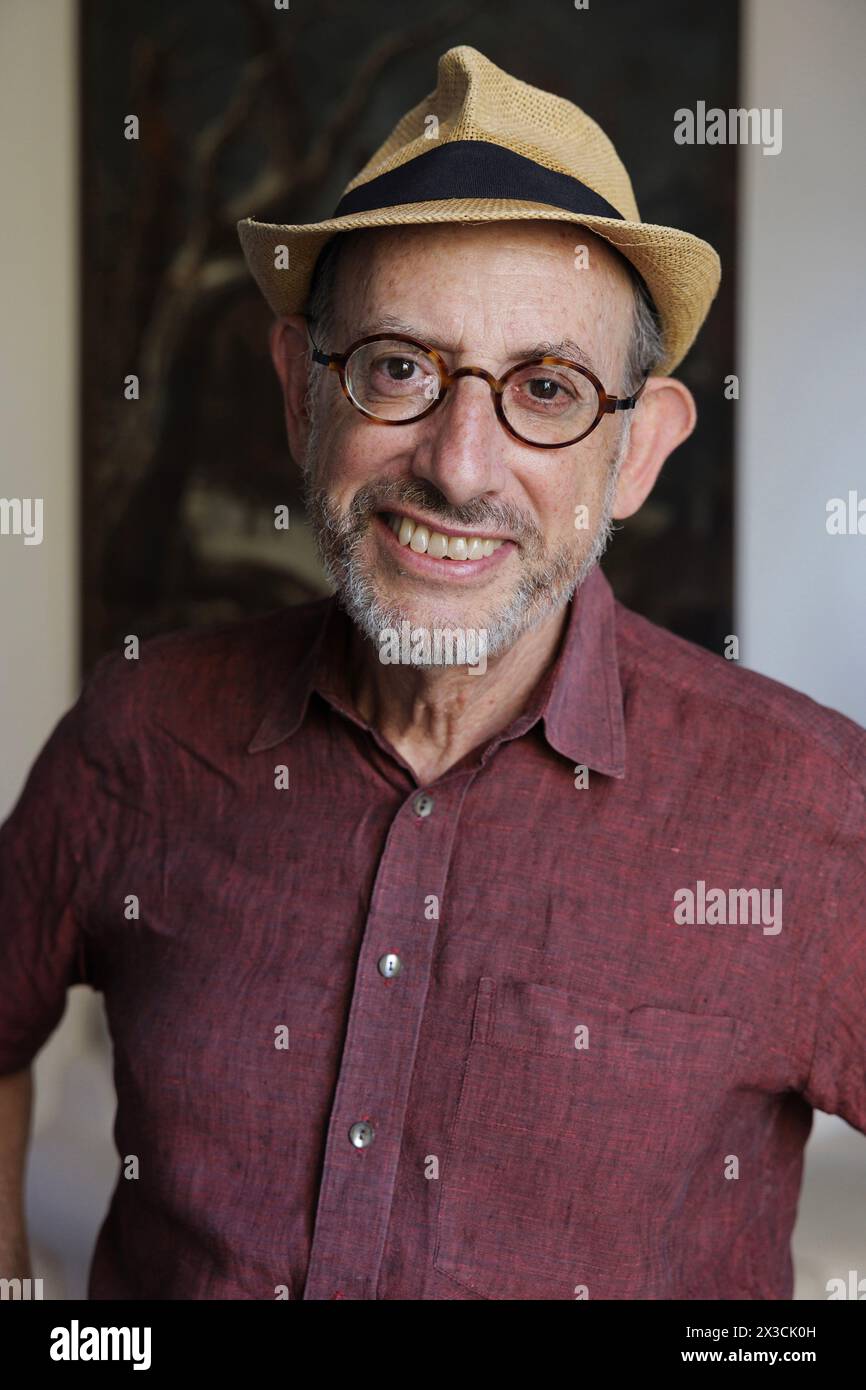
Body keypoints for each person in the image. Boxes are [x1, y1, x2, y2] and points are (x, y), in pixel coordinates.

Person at [1, 44, 863, 1301]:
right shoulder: (139, 727)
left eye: (547, 389)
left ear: (634, 455)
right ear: (302, 391)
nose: (459, 466)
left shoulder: (811, 805)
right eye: (398, 366)